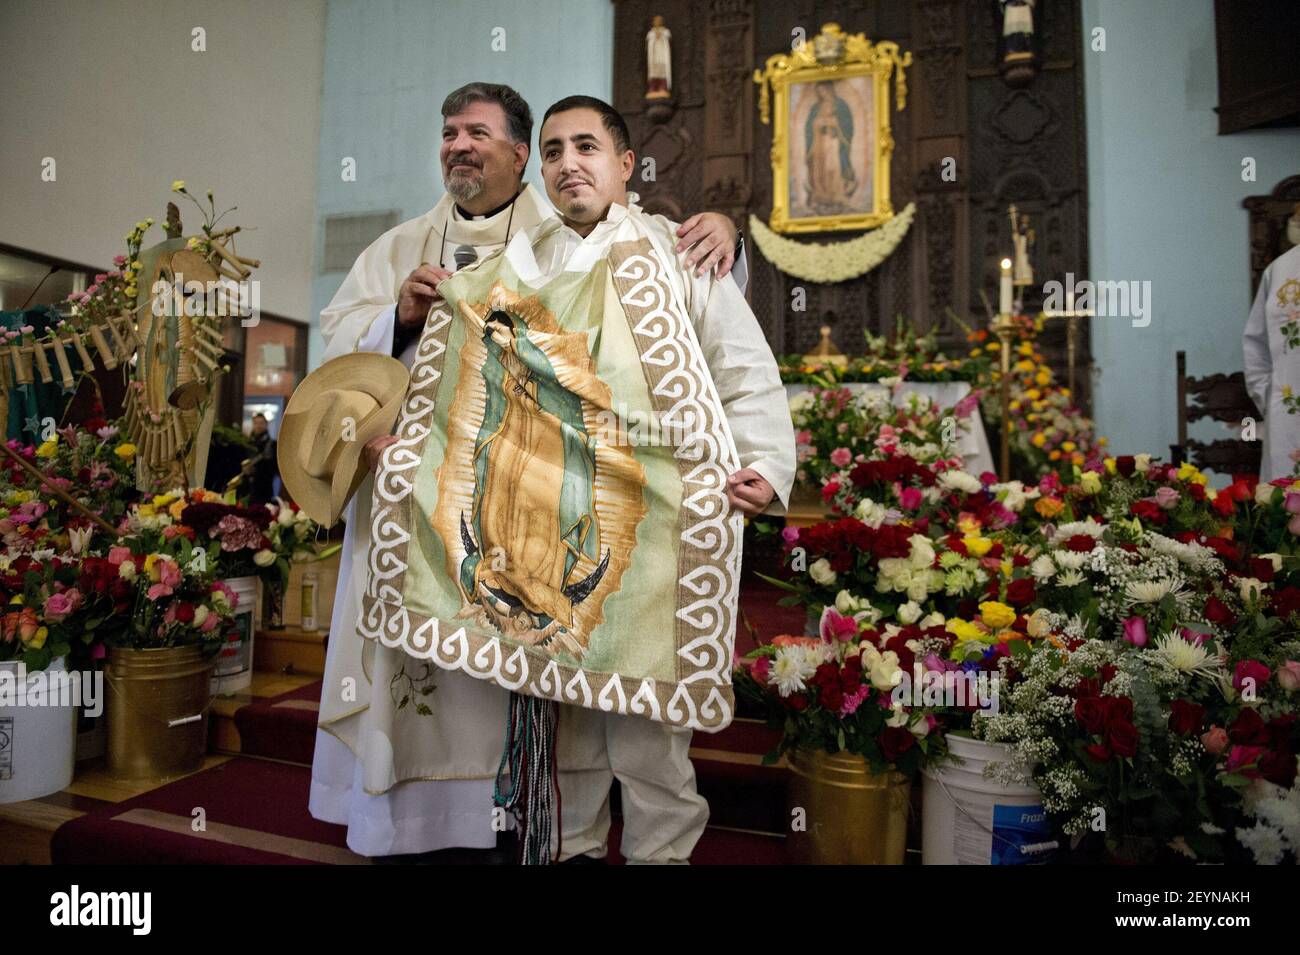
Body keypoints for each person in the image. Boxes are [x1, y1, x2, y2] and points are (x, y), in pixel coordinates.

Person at [312, 81, 750, 857]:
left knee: (572, 682)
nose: (458, 145)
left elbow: (681, 283)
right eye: (449, 132)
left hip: (553, 497)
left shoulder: (565, 232)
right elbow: (336, 344)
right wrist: (397, 317)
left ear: (520, 156)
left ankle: (561, 828)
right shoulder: (399, 245)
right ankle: (420, 828)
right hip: (430, 497)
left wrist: (727, 231)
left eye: (476, 133)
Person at [1243, 238, 1300, 482]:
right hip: (1288, 419)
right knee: (1285, 497)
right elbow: (1256, 345)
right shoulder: (1280, 271)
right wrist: (1271, 397)